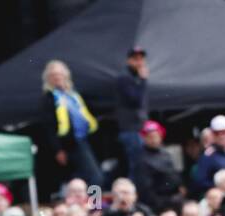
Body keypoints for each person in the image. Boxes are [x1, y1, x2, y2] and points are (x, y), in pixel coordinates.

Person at [40, 60, 101, 189]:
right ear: (48, 79)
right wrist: (58, 149)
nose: (57, 77)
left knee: (81, 177)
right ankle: (95, 206)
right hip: (69, 143)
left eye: (59, 74)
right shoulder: (49, 98)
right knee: (95, 176)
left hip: (84, 139)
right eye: (53, 75)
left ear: (65, 75)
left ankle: (82, 205)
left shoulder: (73, 95)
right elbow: (49, 127)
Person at [115, 46, 148, 177]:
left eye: (141, 59)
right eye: (135, 59)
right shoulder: (124, 78)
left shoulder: (135, 78)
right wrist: (143, 80)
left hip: (138, 127)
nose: (139, 62)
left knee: (138, 164)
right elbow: (136, 100)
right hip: (130, 129)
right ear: (129, 60)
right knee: (136, 165)